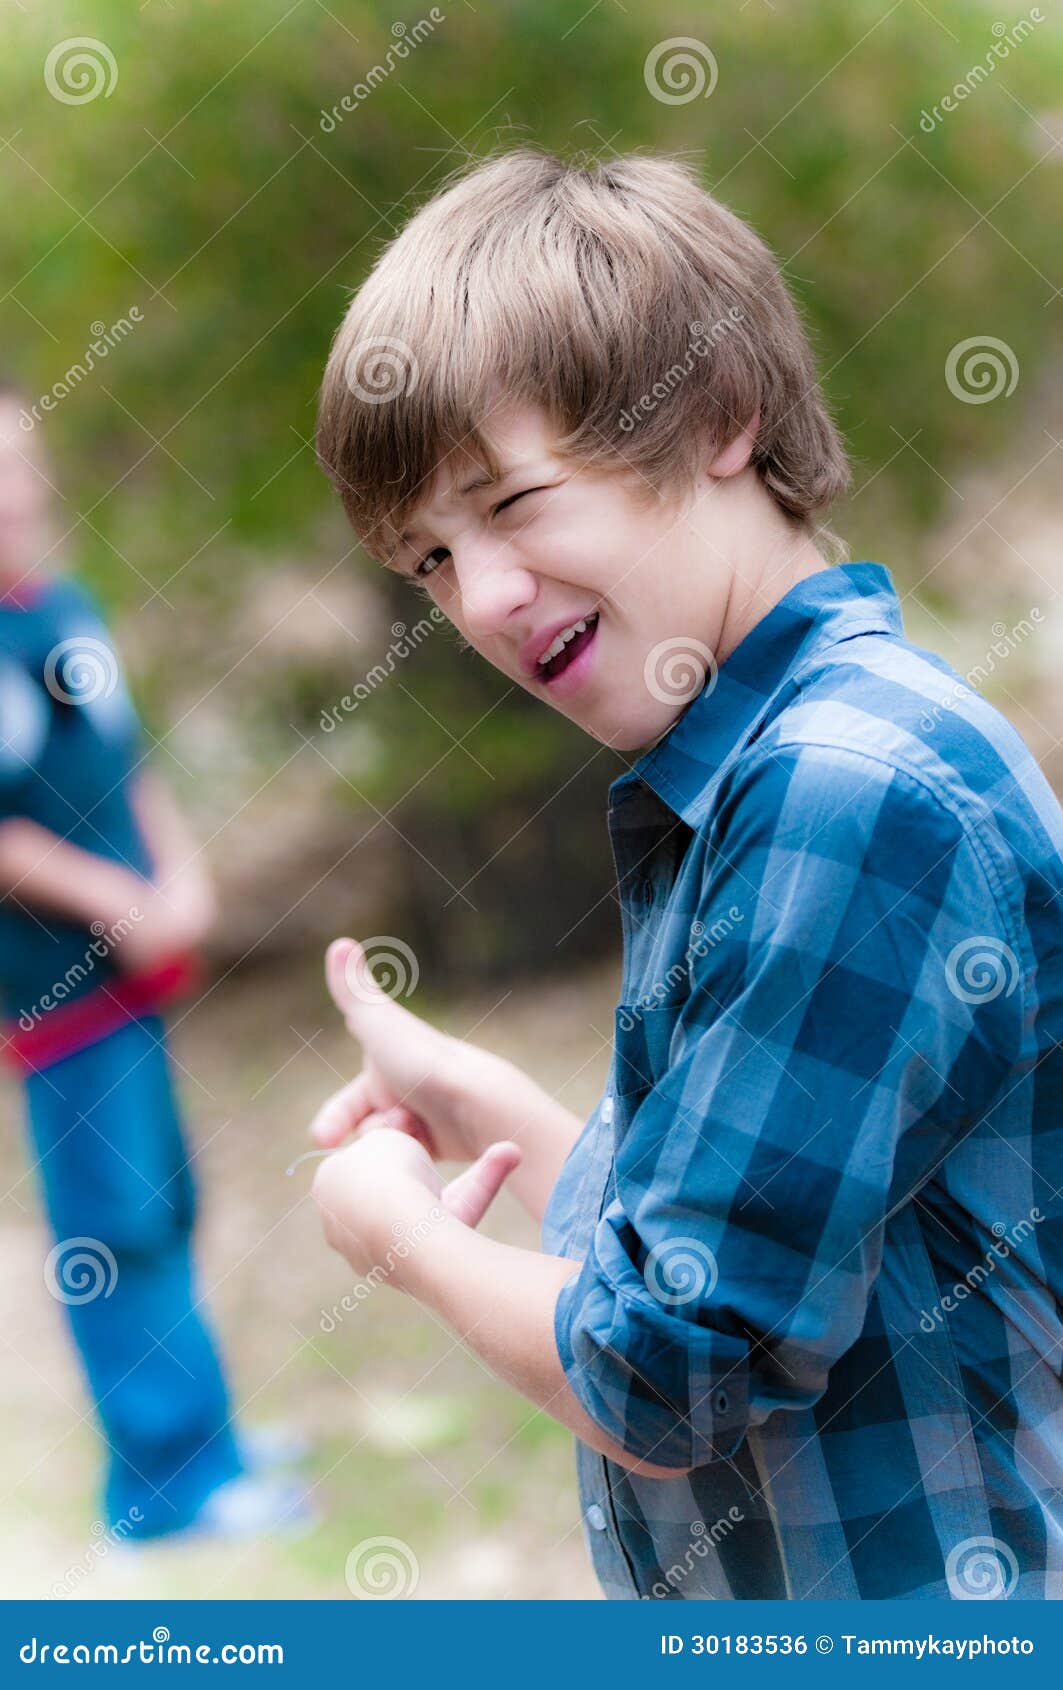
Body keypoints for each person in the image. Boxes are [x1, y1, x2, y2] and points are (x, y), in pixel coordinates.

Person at [308, 150, 1062, 1600]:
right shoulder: (763, 764)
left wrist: (398, 1237)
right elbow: (760, 1234)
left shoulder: (841, 795)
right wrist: (501, 1117)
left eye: (511, 501)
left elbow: (668, 1381)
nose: (481, 600)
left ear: (718, 416)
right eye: (428, 562)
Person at [0, 384, 308, 1540]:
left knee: (172, 1201)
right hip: (56, 998)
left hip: (139, 983)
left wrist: (179, 880)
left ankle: (207, 1437)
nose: (16, 493)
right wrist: (109, 899)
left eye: (22, 467)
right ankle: (164, 1485)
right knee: (113, 1223)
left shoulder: (65, 612)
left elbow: (125, 767)